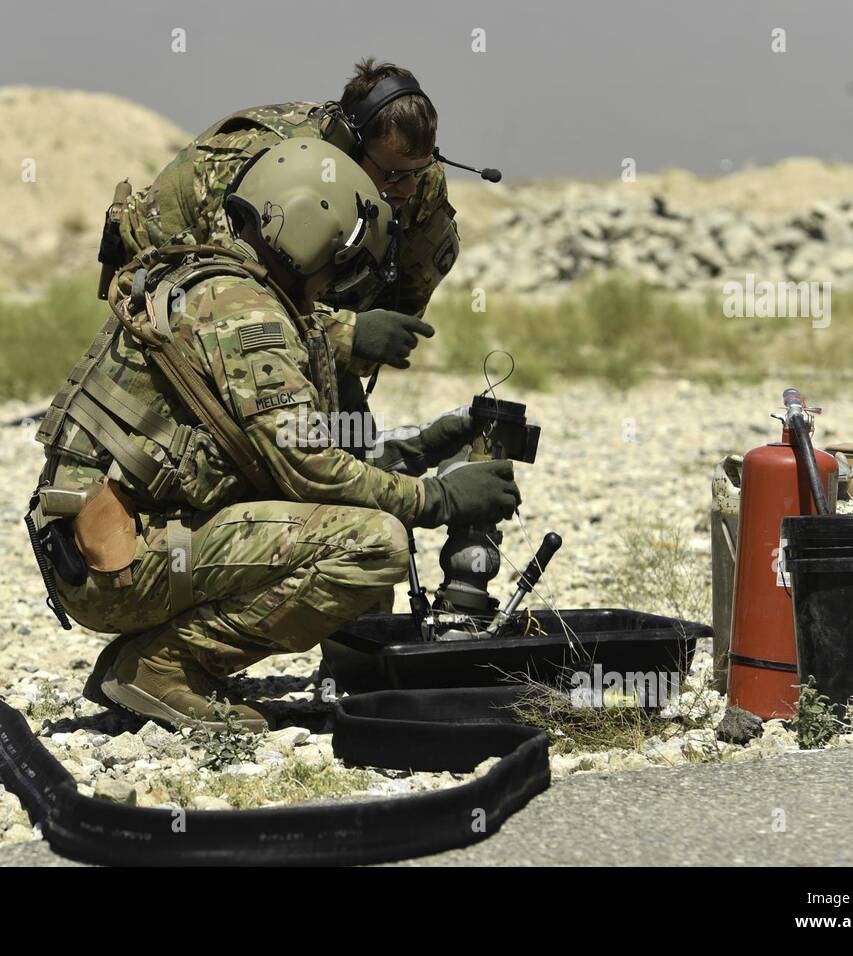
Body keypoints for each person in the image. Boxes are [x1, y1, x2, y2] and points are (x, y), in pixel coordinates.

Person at [33, 139, 518, 731]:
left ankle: (350, 673)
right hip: (119, 562)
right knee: (374, 544)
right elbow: (310, 469)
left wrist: (418, 446)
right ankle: (166, 666)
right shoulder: (247, 313)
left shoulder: (227, 287)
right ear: (316, 239)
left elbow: (294, 445)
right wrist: (436, 500)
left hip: (120, 545)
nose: (336, 281)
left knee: (354, 517)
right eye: (341, 262)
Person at [99, 58, 463, 386]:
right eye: (394, 174)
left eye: (419, 169)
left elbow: (397, 303)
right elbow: (229, 302)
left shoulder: (417, 181)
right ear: (348, 147)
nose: (409, 187)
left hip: (271, 302)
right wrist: (346, 334)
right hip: (165, 282)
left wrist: (358, 347)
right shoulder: (265, 171)